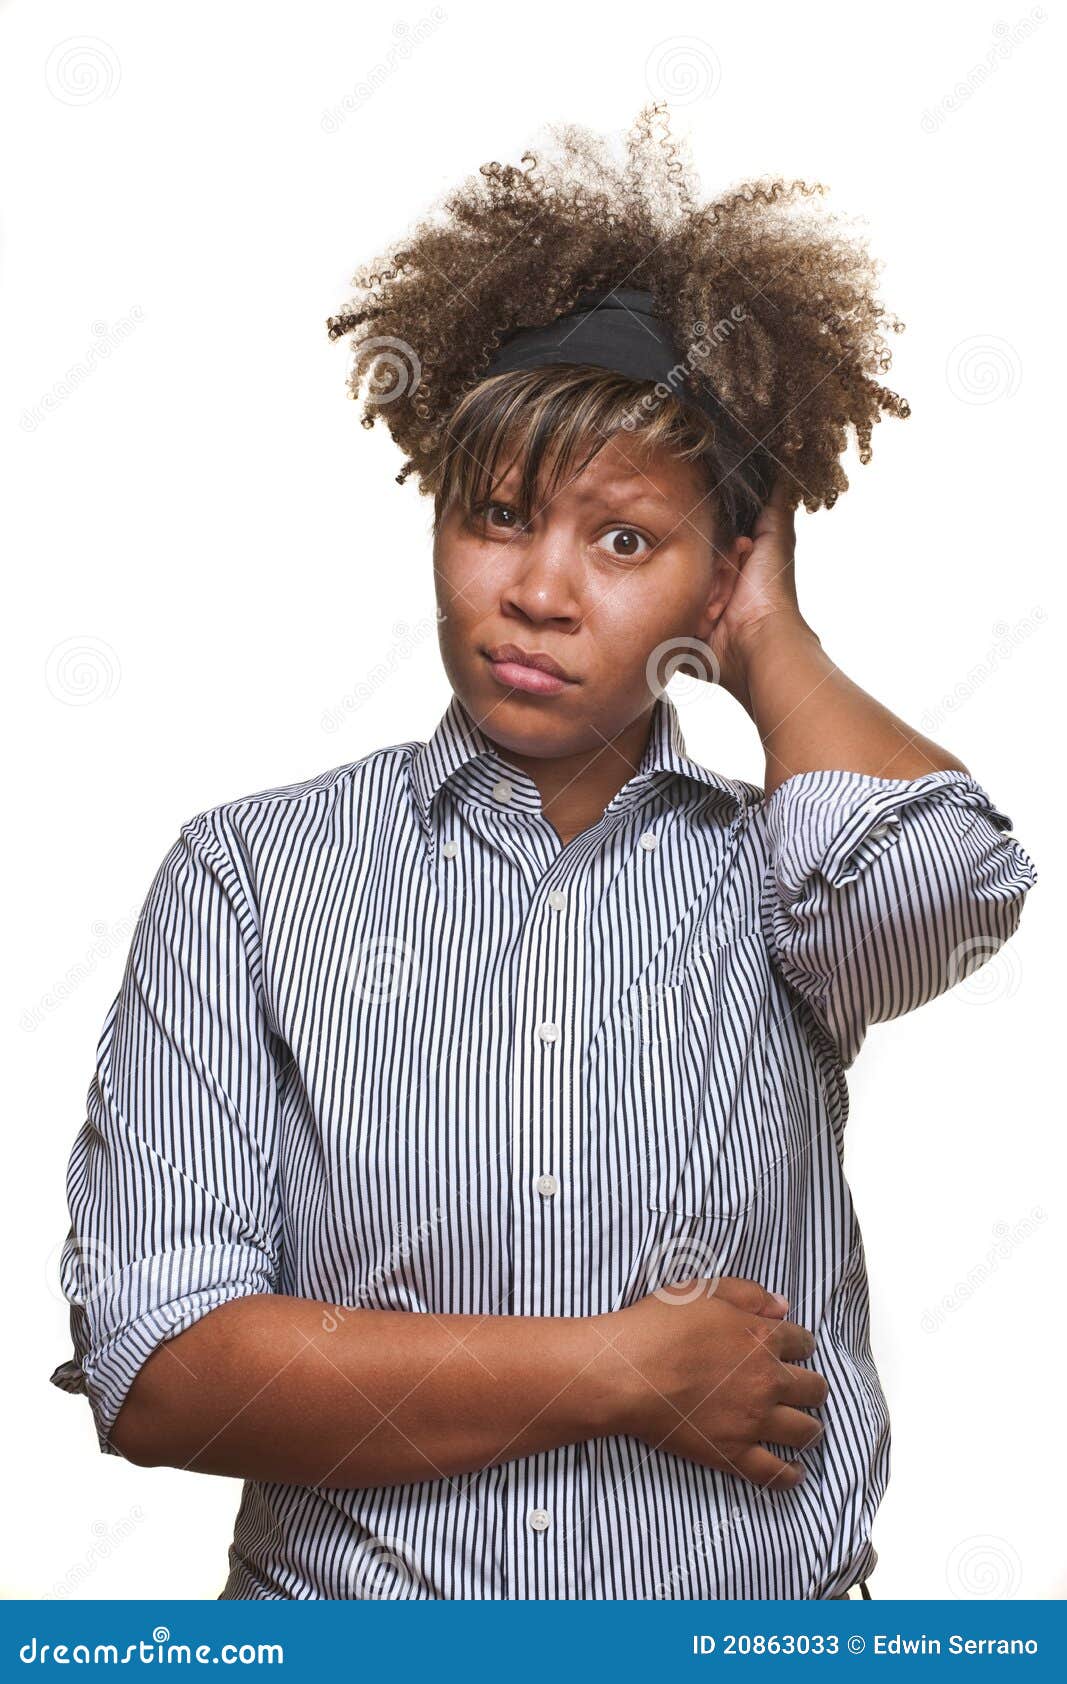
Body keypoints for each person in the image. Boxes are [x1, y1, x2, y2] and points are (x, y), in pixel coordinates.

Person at [49, 104, 1038, 1600]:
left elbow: (950, 886)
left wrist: (771, 632)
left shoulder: (786, 878)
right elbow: (168, 1371)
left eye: (625, 539)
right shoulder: (249, 878)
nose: (541, 591)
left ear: (723, 567)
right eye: (498, 517)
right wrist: (620, 1369)